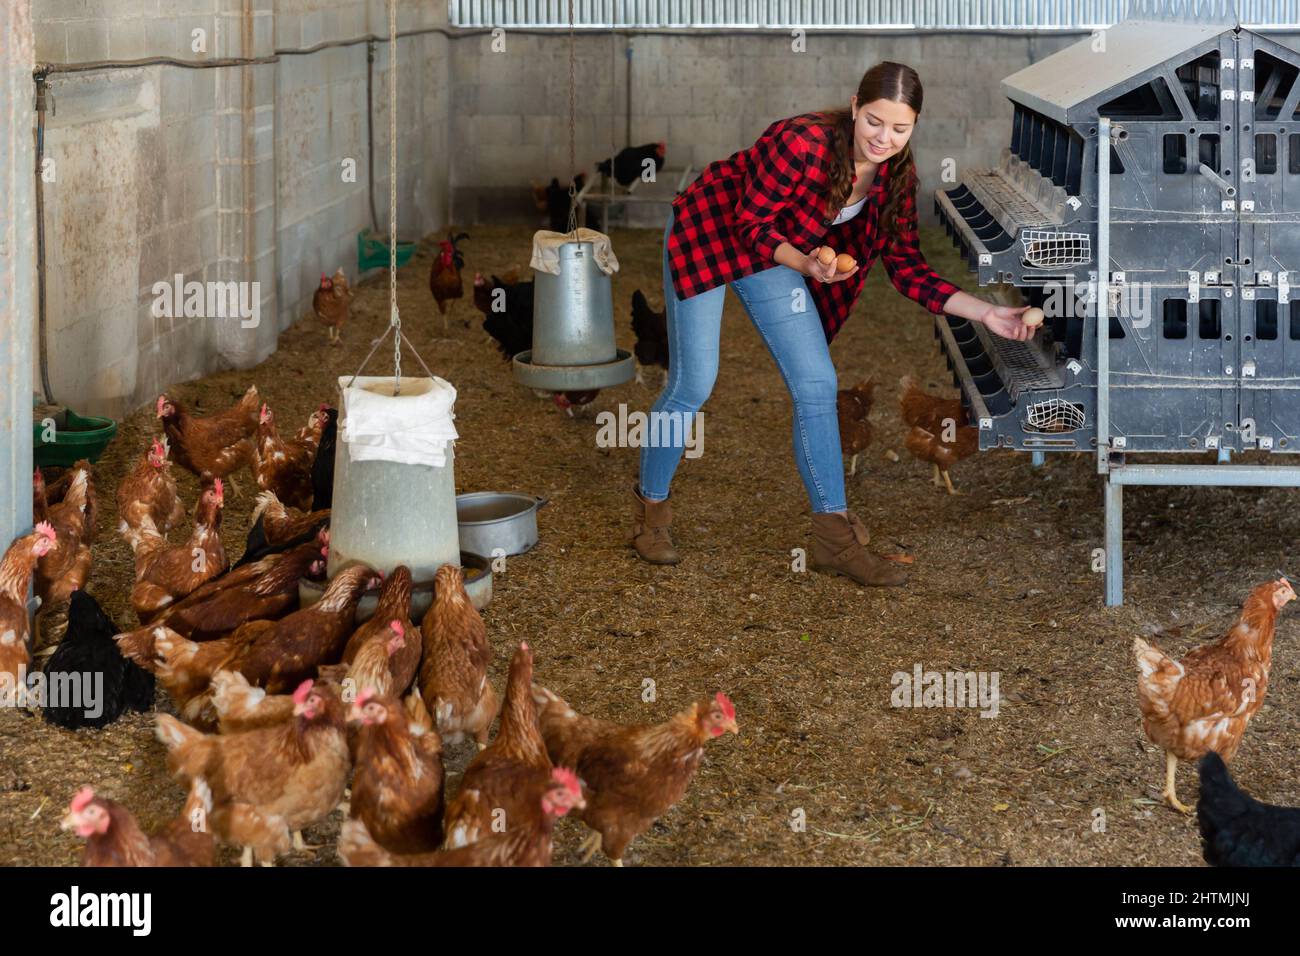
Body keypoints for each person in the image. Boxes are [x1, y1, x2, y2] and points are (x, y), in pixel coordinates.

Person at [630, 61, 1035, 587]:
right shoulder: (801, 143)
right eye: (873, 121)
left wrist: (986, 311)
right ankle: (650, 512)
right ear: (854, 107)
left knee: (817, 385)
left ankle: (832, 538)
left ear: (914, 125)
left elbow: (907, 267)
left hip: (779, 255)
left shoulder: (895, 175)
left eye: (899, 127)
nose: (883, 138)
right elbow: (750, 222)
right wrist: (804, 264)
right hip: (714, 231)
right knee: (692, 382)